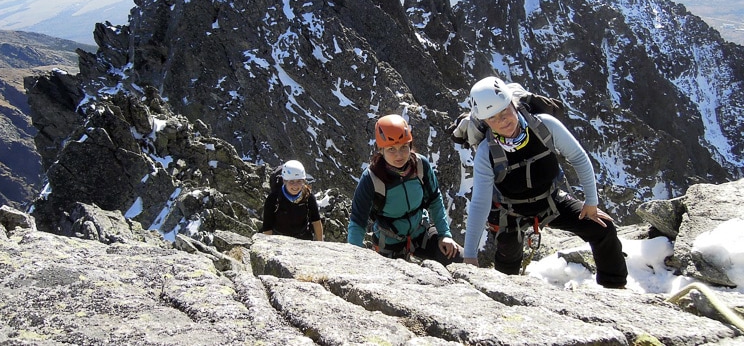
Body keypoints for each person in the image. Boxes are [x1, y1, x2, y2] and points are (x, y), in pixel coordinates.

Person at [462, 76, 628, 289]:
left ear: (513, 103)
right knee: (508, 262)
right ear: (485, 122)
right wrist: (470, 256)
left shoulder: (545, 126)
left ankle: (614, 288)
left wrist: (591, 203)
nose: (503, 121)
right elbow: (480, 203)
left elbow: (578, 158)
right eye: (493, 118)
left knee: (603, 229)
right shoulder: (486, 152)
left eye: (505, 111)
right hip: (509, 212)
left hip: (550, 199)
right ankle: (506, 300)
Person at [348, 114, 463, 265]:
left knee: (459, 258)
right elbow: (358, 222)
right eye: (391, 149)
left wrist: (444, 234)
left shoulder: (420, 165)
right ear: (380, 150)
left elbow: (435, 199)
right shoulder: (371, 178)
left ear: (410, 145)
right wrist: (352, 260)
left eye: (403, 147)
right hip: (388, 240)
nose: (399, 155)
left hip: (420, 231)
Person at [262, 160, 324, 241]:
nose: (295, 185)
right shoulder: (274, 198)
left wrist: (320, 244)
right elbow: (267, 226)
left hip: (303, 238)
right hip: (278, 239)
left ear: (303, 181)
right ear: (284, 181)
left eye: (299, 181)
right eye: (291, 181)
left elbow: (316, 221)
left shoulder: (308, 196)